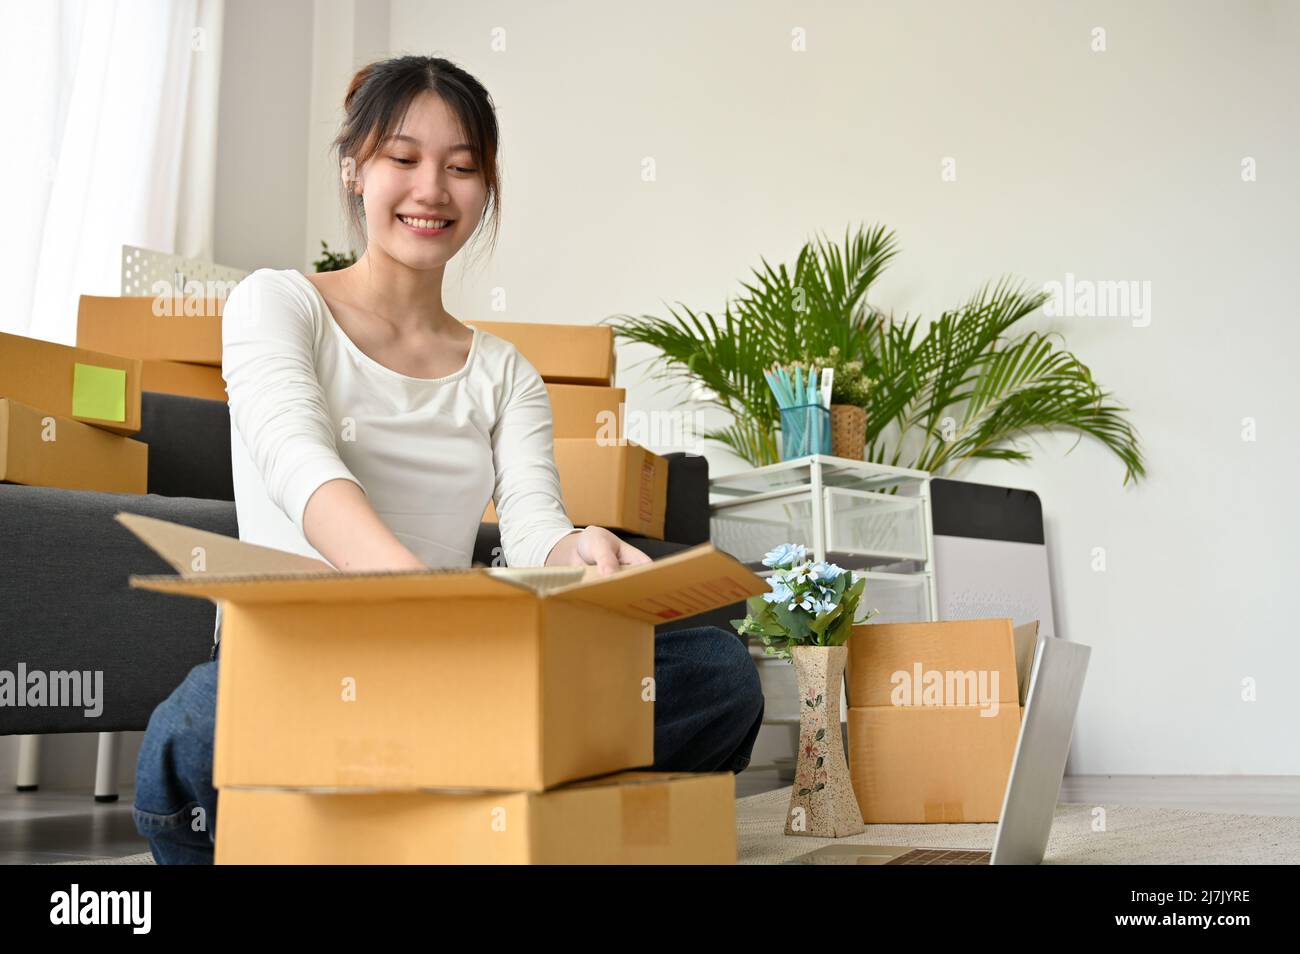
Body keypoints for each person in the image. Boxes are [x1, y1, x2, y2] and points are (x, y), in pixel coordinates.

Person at [132, 55, 764, 864]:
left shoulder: (504, 371)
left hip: (462, 677)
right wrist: (411, 597)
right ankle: (476, 798)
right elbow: (300, 465)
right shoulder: (278, 303)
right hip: (308, 672)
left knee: (716, 671)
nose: (431, 189)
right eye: (403, 159)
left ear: (486, 189)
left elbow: (535, 528)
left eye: (462, 168)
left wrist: (583, 550)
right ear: (355, 170)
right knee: (193, 731)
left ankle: (432, 809)